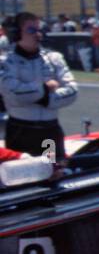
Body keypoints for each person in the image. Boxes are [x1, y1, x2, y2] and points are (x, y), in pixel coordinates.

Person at [0, 12, 78, 161]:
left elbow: (72, 91)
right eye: (31, 30)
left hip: (49, 132)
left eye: (39, 30)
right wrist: (44, 89)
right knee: (21, 176)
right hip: (20, 132)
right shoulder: (5, 61)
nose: (38, 34)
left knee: (54, 171)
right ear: (16, 33)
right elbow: (13, 93)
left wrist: (46, 99)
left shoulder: (55, 58)